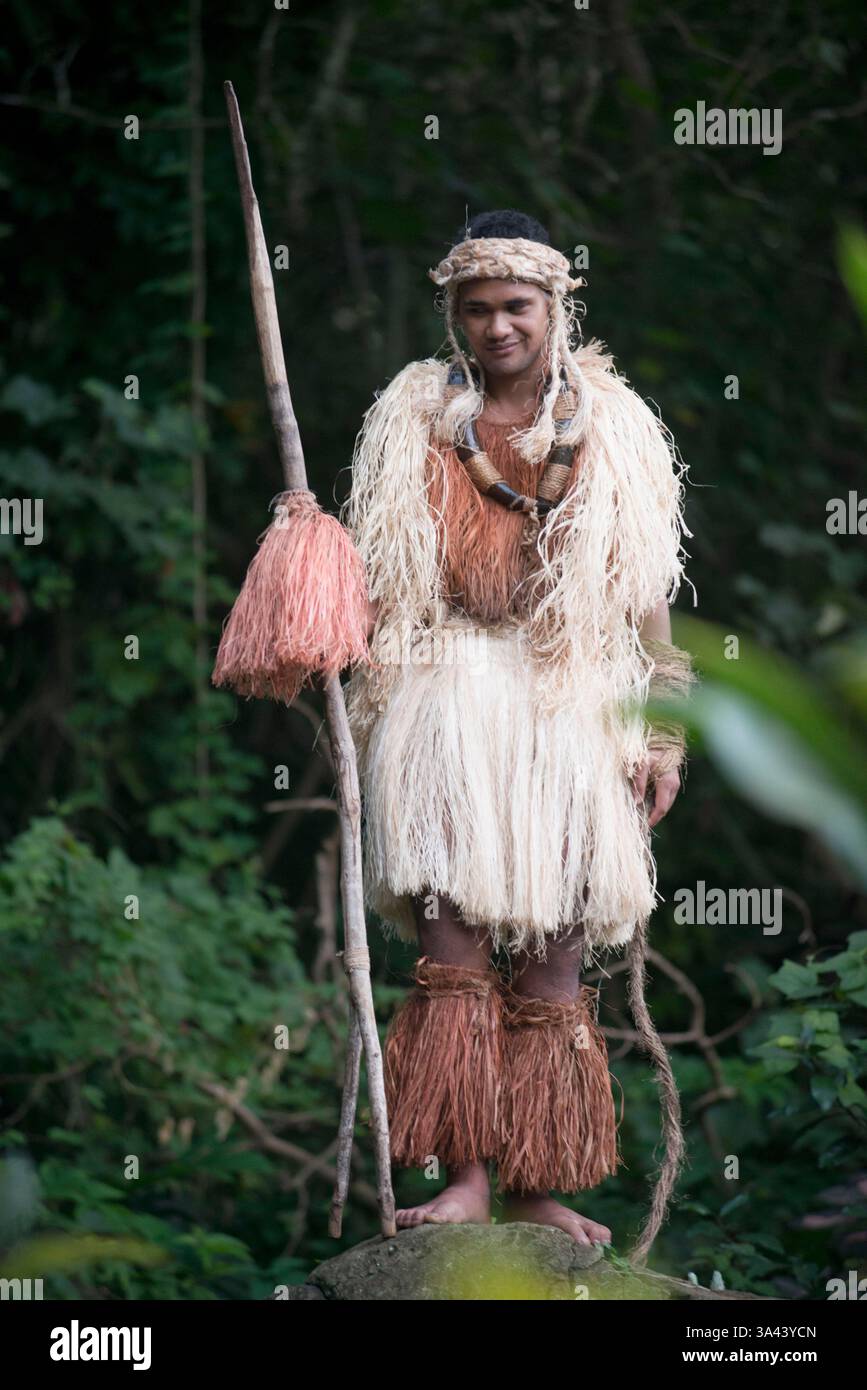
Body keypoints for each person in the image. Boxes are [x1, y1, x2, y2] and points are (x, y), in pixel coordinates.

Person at [340, 209, 694, 1247]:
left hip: (566, 701)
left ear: (556, 307)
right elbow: (375, 584)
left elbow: (648, 615)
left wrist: (661, 737)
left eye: (517, 307)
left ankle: (540, 1183)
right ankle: (466, 1179)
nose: (498, 327)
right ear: (455, 315)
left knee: (553, 962)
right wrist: (307, 564)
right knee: (451, 948)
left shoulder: (612, 426)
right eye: (478, 309)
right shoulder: (416, 418)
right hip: (444, 692)